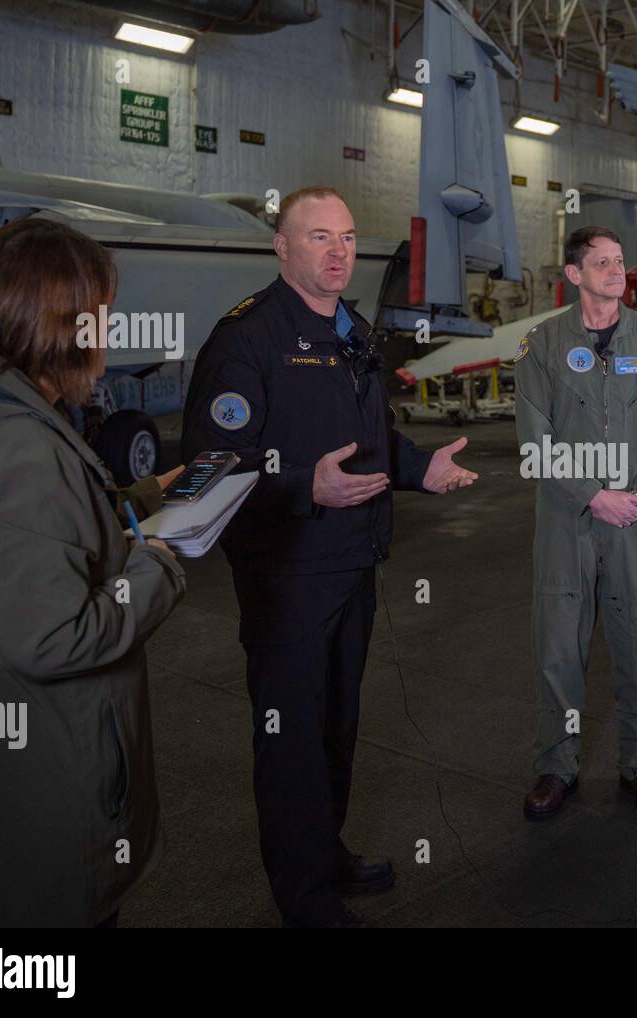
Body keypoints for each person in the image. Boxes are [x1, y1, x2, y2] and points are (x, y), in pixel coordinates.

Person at [181, 185, 477, 928]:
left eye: (346, 236)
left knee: (336, 725)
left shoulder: (354, 331)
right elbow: (208, 469)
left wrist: (420, 469)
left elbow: (374, 436)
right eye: (318, 237)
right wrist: (298, 484)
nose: (338, 251)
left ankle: (325, 852)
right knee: (290, 738)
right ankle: (304, 897)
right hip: (288, 575)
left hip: (354, 563)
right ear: (281, 248)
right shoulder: (245, 339)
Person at [0, 218, 187, 927]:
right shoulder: (24, 452)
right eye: (100, 316)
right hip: (46, 794)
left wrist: (143, 499)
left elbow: (25, 540)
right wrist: (155, 568)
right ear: (59, 328)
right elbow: (51, 635)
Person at [515, 226, 637, 820]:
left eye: (620, 261)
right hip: (567, 520)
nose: (616, 271)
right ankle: (555, 767)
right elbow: (534, 440)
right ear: (574, 275)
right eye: (602, 262)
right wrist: (594, 494)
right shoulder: (542, 344)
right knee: (557, 647)